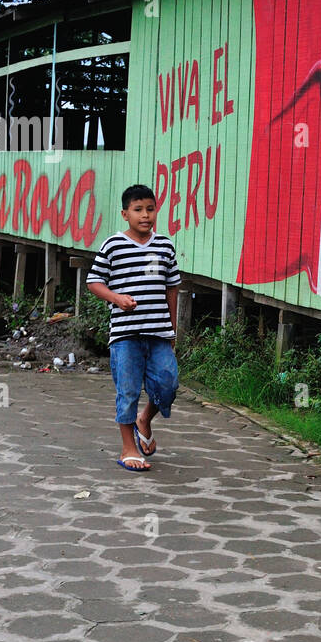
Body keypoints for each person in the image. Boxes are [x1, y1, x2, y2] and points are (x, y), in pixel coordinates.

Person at [85, 184, 181, 470]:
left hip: (159, 333)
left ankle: (145, 419)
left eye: (150, 209)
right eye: (138, 210)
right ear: (125, 214)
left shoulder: (164, 246)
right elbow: (94, 281)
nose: (145, 215)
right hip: (125, 335)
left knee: (168, 383)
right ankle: (128, 448)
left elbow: (172, 288)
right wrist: (116, 298)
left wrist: (173, 329)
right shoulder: (113, 245)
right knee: (127, 390)